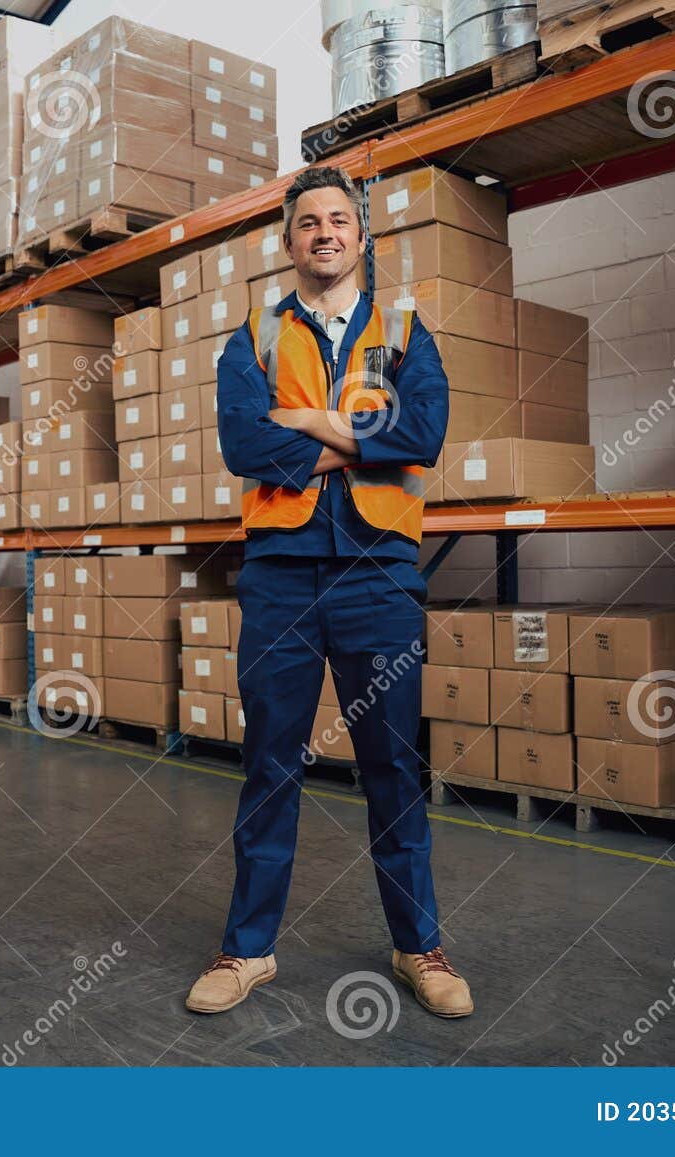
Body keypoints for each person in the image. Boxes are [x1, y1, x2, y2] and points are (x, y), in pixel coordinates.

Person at [185, 166, 472, 1019]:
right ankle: (246, 950)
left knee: (392, 764)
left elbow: (424, 432)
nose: (324, 232)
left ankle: (419, 944)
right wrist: (361, 438)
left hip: (380, 572)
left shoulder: (407, 326)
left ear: (361, 235)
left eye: (339, 219)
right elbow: (244, 443)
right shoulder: (254, 336)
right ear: (288, 241)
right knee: (269, 764)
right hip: (280, 575)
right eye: (307, 221)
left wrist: (306, 420)